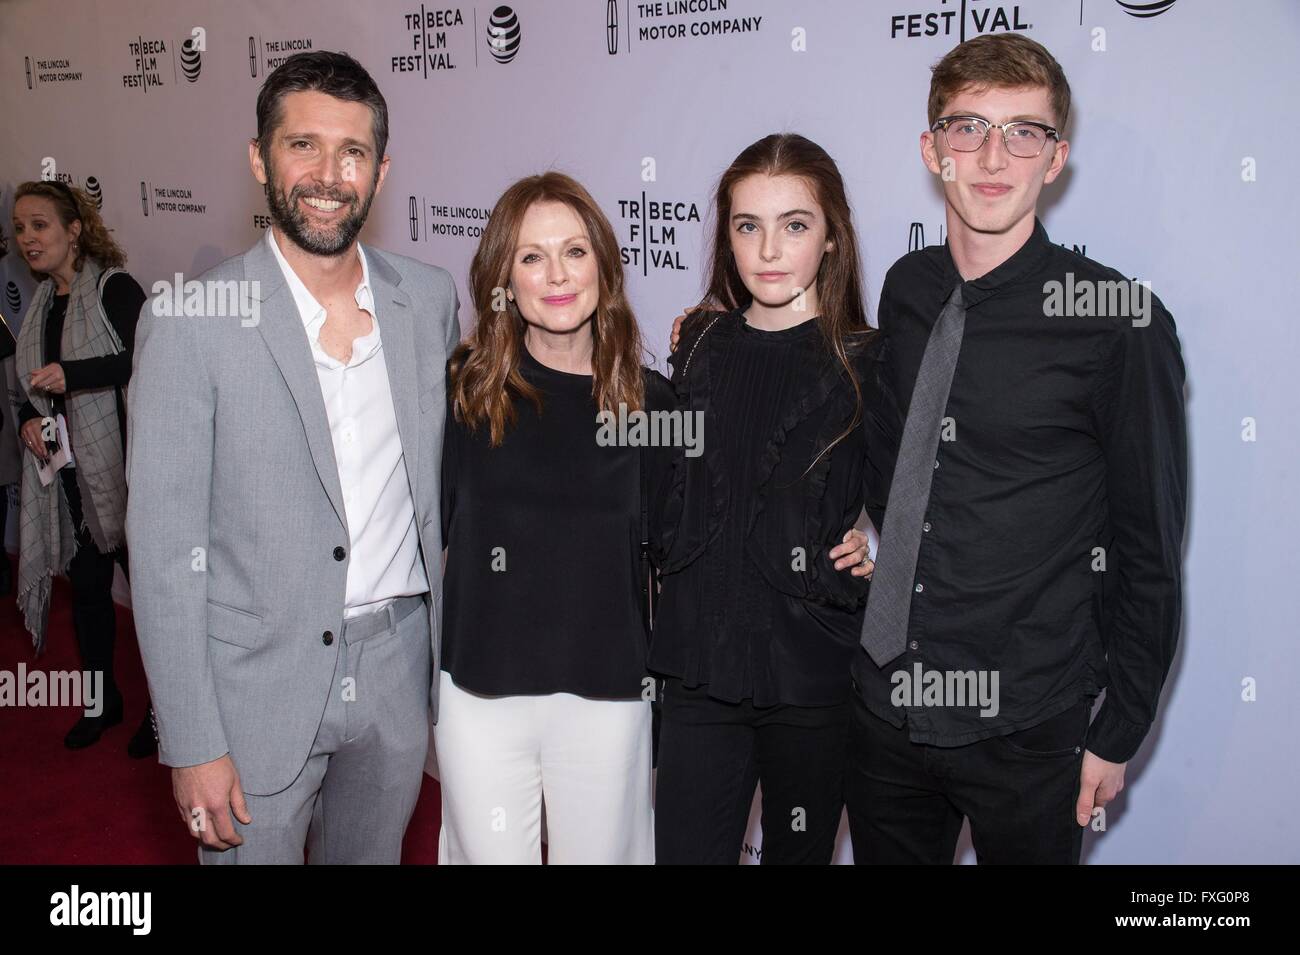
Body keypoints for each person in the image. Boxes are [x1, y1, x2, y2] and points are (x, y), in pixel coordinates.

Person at [844, 33, 1187, 864]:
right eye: (967, 128)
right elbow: (888, 455)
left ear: (1055, 158)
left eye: (1022, 132)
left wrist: (1121, 728)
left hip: (1029, 725)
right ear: (933, 150)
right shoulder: (907, 287)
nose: (993, 155)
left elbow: (1149, 545)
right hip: (884, 707)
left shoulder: (1119, 320)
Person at [127, 50, 459, 863]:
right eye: (302, 145)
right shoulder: (190, 322)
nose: (327, 174)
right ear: (258, 159)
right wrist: (192, 739)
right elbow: (166, 554)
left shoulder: (431, 300)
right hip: (252, 690)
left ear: (381, 172)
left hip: (395, 672)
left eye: (352, 152)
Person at [652, 133, 895, 864]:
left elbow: (912, 493)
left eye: (795, 224)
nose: (768, 249)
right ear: (726, 236)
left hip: (810, 673)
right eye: (746, 225)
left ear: (830, 239)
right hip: (698, 664)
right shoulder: (697, 342)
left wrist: (877, 549)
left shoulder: (867, 359)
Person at [435, 171, 674, 864]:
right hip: (480, 694)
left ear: (604, 261)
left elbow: (688, 548)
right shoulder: (466, 394)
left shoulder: (649, 405)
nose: (557, 274)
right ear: (502, 277)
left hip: (607, 696)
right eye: (532, 256)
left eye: (574, 250)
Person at [10, 180, 156, 757]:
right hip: (69, 474)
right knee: (90, 592)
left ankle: (166, 713)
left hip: (126, 475)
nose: (28, 239)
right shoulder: (44, 300)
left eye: (40, 225)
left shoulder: (114, 289)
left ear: (74, 231)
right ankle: (102, 702)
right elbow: (32, 378)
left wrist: (75, 376)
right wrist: (28, 413)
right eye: (20, 228)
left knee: (151, 604)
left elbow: (144, 359)